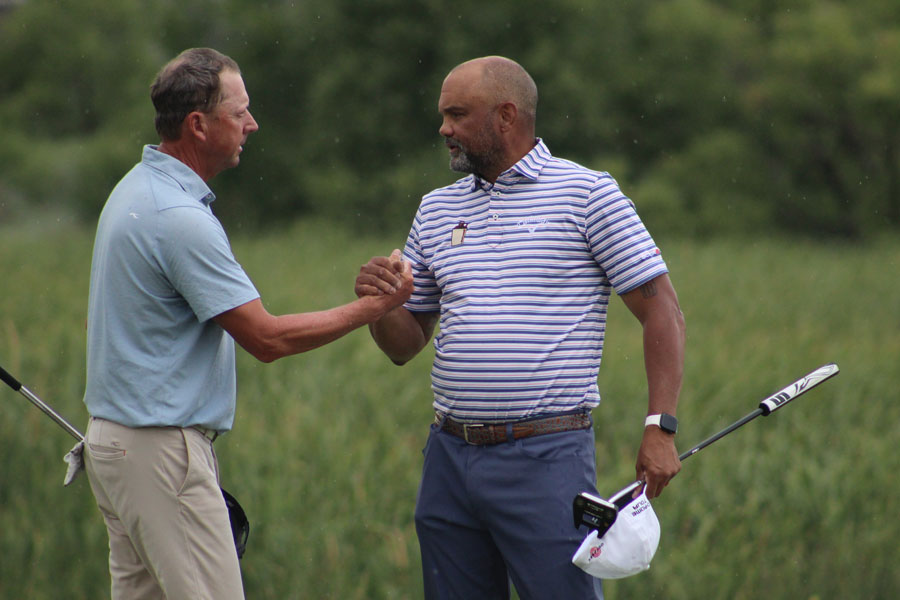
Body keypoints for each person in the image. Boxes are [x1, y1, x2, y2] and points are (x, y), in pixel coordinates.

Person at [82, 47, 412, 600]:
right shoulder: (179, 216)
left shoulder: (134, 189)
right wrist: (376, 307)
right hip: (160, 453)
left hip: (116, 446)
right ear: (198, 124)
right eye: (239, 112)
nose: (252, 124)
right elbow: (266, 338)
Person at [355, 56, 686, 599]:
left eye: (457, 115)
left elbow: (663, 312)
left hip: (546, 457)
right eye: (443, 115)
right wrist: (382, 304)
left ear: (506, 116)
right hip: (449, 456)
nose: (444, 129)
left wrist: (660, 427)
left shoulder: (587, 194)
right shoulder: (436, 209)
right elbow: (404, 345)